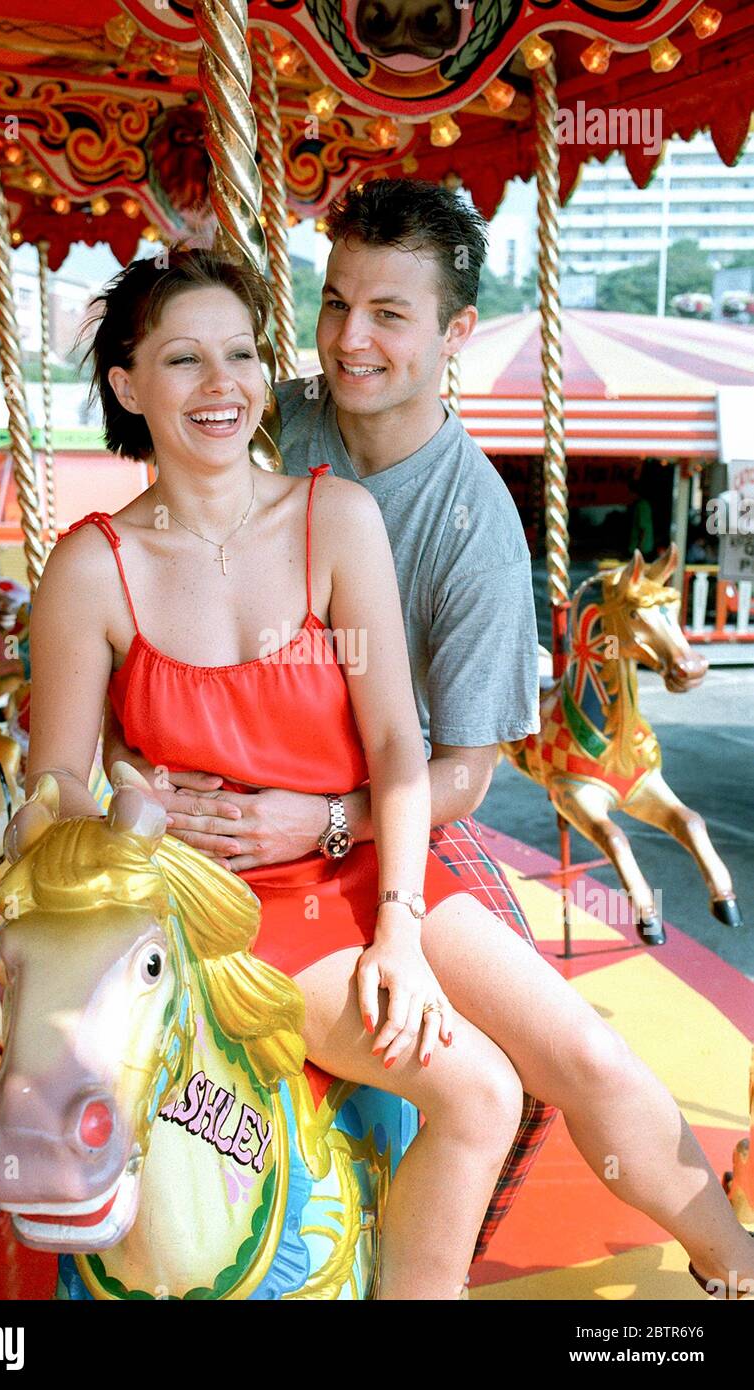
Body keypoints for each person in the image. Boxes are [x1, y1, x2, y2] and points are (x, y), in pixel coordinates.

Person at [10, 246, 754, 1301]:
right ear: (128, 386)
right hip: (227, 909)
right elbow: (56, 794)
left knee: (586, 1052)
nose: (222, 384)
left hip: (366, 863)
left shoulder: (330, 519)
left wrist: (399, 930)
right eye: (183, 360)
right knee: (477, 1090)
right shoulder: (92, 567)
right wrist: (131, 806)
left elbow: (401, 751)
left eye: (241, 353)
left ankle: (734, 1268)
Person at [102, 181, 556, 1266]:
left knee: (529, 1068)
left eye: (387, 313)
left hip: (365, 818)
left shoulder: (456, 525)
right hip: (225, 834)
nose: (349, 340)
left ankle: (422, 1245)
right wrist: (132, 775)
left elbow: (439, 768)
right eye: (334, 304)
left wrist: (336, 834)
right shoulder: (267, 422)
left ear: (450, 333)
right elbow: (81, 740)